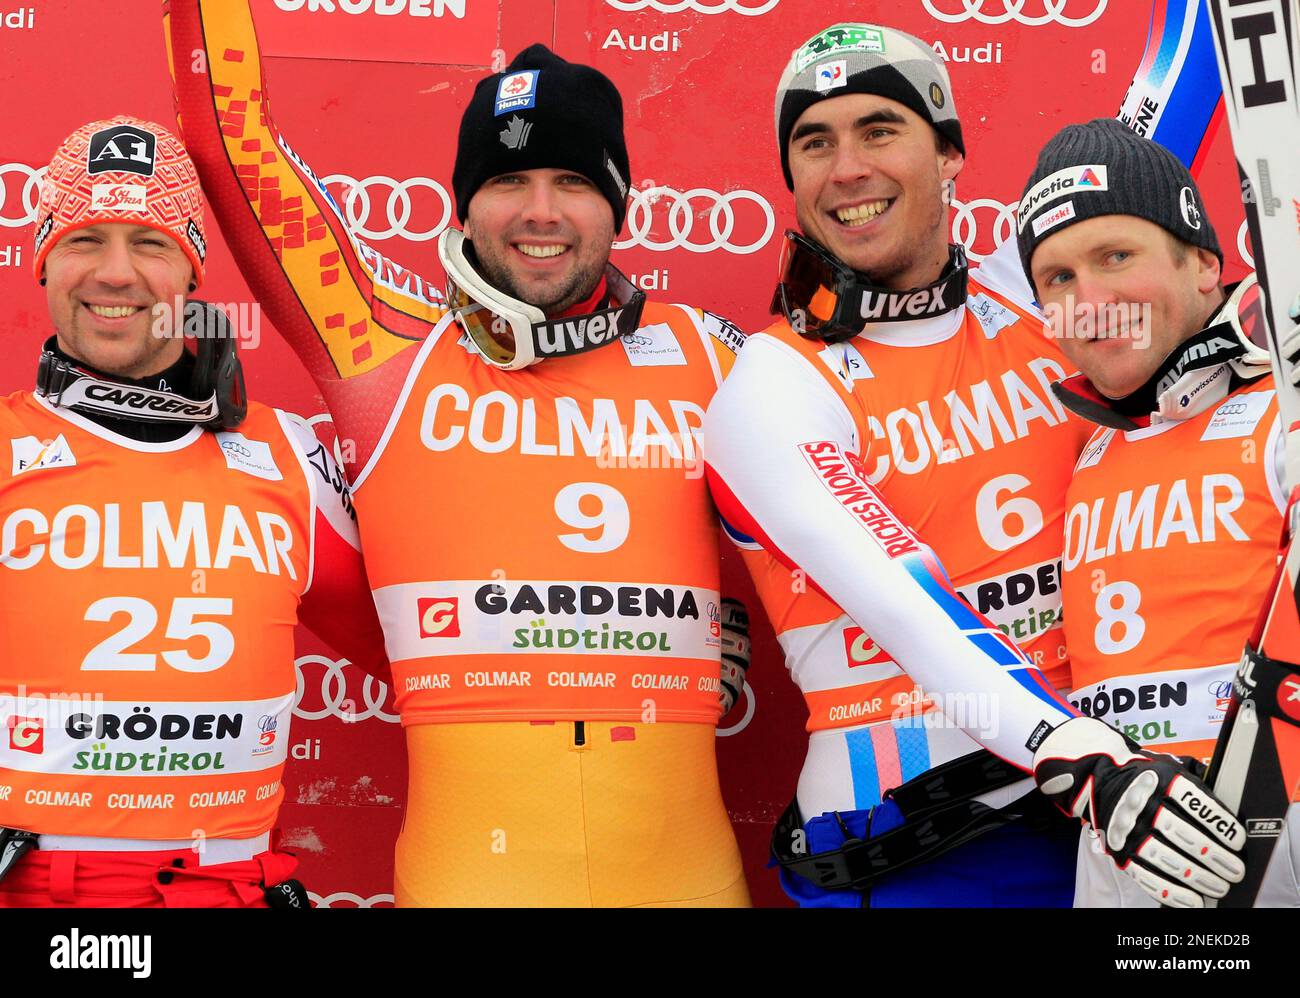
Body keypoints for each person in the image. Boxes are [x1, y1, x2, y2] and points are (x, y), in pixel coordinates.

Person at [166, 1, 752, 907]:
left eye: (574, 180)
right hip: (472, 879)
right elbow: (229, 141)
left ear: (619, 201)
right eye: (508, 180)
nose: (541, 212)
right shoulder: (382, 349)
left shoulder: (714, 356)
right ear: (464, 203)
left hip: (688, 881)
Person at [704, 22, 1245, 908]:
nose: (847, 168)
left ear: (950, 152)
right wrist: (1079, 752)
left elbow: (1183, 74)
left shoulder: (1043, 285)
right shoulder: (770, 387)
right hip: (924, 855)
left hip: (1110, 818)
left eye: (880, 129)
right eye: (814, 142)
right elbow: (907, 598)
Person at [0, 116, 388, 908]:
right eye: (82, 239)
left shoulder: (287, 453)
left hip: (224, 887)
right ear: (41, 262)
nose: (115, 274)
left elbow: (426, 653)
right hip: (33, 889)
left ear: (192, 269)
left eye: (149, 243)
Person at [1017, 118, 1300, 908]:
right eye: (1059, 278)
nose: (1092, 300)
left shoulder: (1282, 413)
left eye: (1116, 256)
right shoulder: (1089, 453)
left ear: (1206, 264)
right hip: (1127, 861)